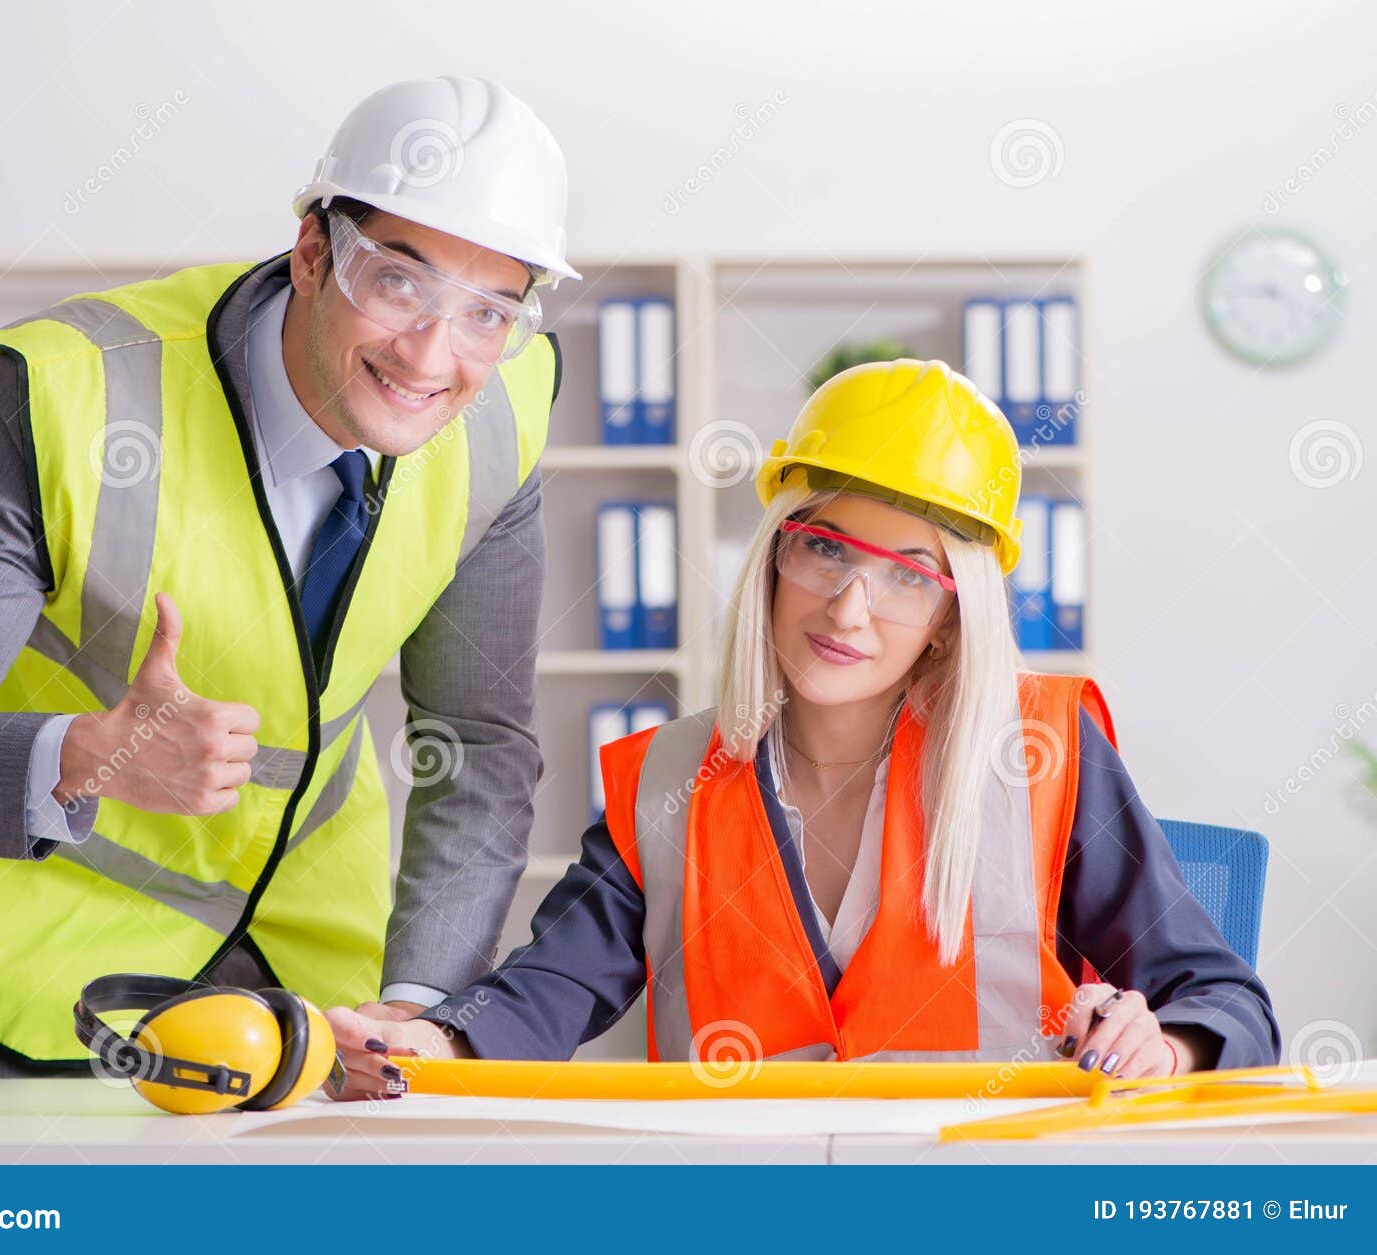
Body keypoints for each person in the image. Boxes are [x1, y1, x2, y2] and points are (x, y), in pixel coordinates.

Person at [0, 76, 579, 1074]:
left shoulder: (499, 409)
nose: (435, 352)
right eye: (398, 282)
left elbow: (474, 741)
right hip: (52, 988)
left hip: (319, 997)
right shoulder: (65, 396)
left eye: (487, 310)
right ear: (313, 255)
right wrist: (84, 757)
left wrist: (416, 1006)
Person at [324, 359, 1280, 1099]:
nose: (850, 608)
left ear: (957, 610)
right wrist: (438, 1036)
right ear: (776, 555)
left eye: (911, 572)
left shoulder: (1041, 756)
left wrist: (1166, 1041)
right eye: (825, 548)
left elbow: (1229, 1004)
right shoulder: (672, 779)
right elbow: (553, 984)